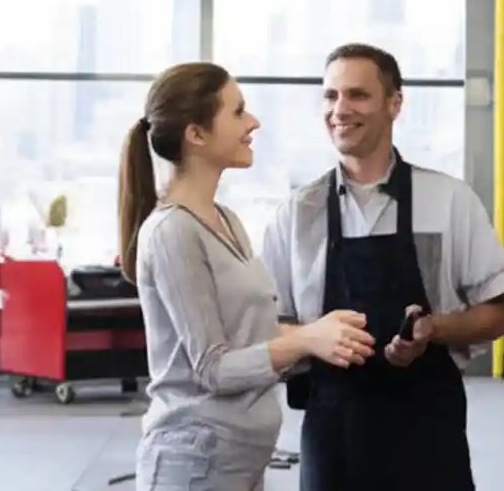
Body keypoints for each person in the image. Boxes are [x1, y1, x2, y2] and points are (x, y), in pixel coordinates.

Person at [260, 43, 504, 491]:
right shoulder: (295, 214)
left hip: (427, 428)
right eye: (330, 96)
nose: (340, 110)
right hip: (334, 430)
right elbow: (268, 328)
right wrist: (313, 338)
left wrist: (432, 330)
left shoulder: (450, 201)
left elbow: (497, 314)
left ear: (394, 104)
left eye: (357, 95)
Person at [118, 62, 377, 491]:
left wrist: (326, 336)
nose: (253, 122)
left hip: (238, 460)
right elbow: (213, 369)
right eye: (238, 112)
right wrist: (306, 340)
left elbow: (250, 333)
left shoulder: (227, 221)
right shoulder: (172, 232)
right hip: (195, 465)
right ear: (196, 134)